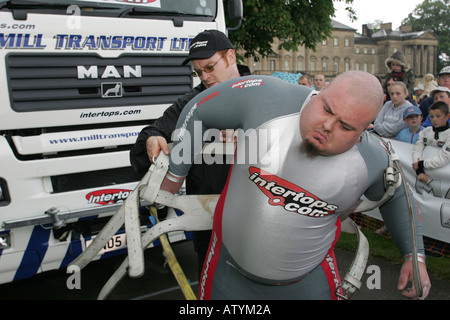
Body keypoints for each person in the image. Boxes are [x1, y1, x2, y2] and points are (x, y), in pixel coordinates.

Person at [160, 71, 431, 300]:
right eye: (326, 108)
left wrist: (415, 255)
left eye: (345, 126)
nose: (326, 125)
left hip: (308, 285)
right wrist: (175, 174)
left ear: (365, 130)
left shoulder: (372, 157)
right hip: (228, 275)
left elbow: (397, 197)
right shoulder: (268, 97)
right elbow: (198, 108)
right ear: (319, 91)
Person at [129, 29, 250, 276]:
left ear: (230, 57)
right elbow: (148, 135)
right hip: (207, 226)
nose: (204, 77)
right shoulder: (190, 103)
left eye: (210, 67)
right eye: (198, 72)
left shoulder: (264, 94)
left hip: (258, 222)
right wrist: (152, 139)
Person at [412, 101, 450, 183]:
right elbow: (417, 150)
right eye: (432, 116)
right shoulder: (425, 131)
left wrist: (422, 164)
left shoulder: (449, 135)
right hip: (423, 175)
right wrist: (419, 171)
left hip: (443, 178)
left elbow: (444, 157)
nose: (434, 119)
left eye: (438, 116)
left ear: (447, 116)